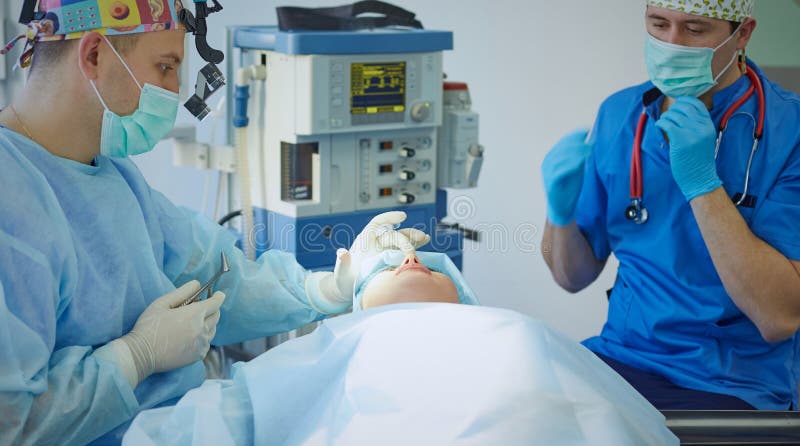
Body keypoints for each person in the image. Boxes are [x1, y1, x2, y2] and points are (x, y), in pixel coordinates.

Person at [0, 1, 428, 444]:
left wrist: (322, 289)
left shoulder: (112, 176)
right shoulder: (11, 202)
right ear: (93, 55)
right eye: (165, 66)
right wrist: (134, 358)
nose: (175, 88)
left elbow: (215, 272)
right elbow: (12, 423)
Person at [123, 251, 678, 446]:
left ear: (467, 301)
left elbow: (620, 416)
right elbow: (212, 422)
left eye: (428, 263)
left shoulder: (517, 331)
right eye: (388, 264)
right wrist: (134, 360)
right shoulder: (331, 345)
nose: (411, 258)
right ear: (355, 305)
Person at [541, 0, 800, 411]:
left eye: (695, 30)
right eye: (659, 24)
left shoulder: (790, 133)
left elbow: (779, 317)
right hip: (620, 360)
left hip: (730, 382)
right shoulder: (620, 114)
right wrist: (560, 214)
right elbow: (571, 276)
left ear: (743, 33)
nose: (672, 44)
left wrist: (702, 184)